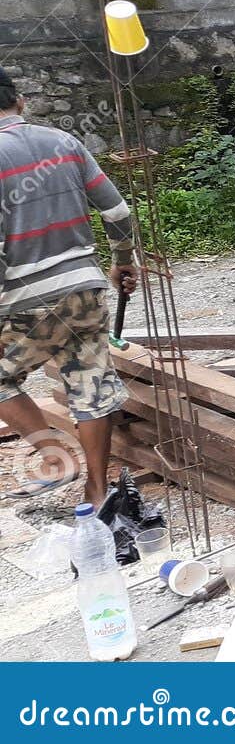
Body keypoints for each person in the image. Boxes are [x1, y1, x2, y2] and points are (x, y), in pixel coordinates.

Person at [0, 65, 139, 508]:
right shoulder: (64, 142)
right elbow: (118, 213)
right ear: (19, 101)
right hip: (84, 288)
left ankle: (55, 457)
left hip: (23, 298)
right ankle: (97, 490)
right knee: (91, 383)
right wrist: (121, 262)